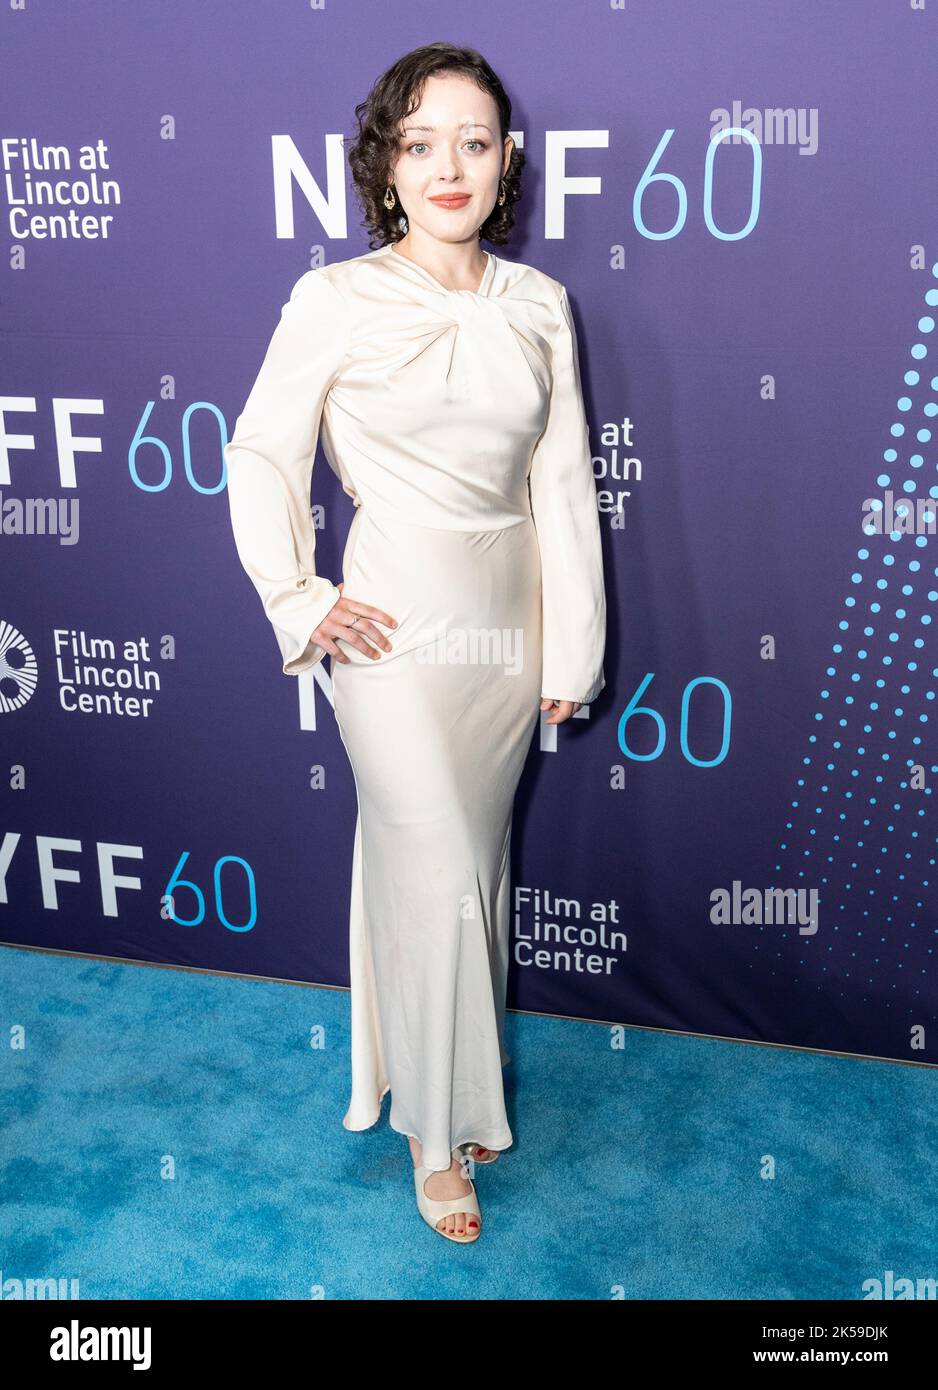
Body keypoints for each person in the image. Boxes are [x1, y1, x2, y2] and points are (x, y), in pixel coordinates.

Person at [224, 43, 606, 1244]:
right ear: (386, 161)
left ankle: (454, 1084)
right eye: (421, 140)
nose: (450, 165)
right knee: (436, 862)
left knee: (466, 876)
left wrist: (570, 653)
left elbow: (562, 484)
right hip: (389, 626)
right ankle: (436, 1142)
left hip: (507, 626)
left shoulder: (541, 305)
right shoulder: (333, 297)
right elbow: (258, 453)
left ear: (507, 162)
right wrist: (296, 596)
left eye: (475, 141)